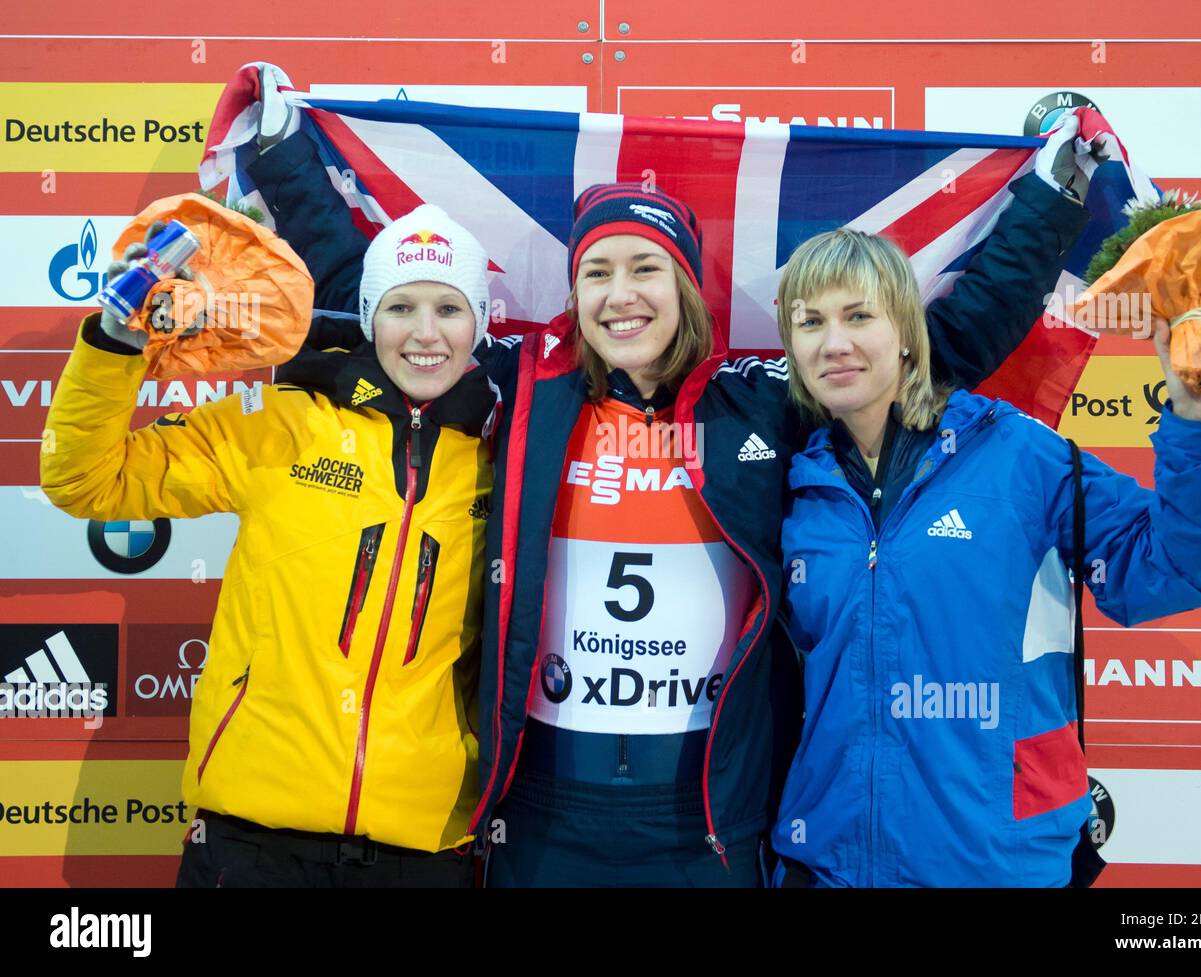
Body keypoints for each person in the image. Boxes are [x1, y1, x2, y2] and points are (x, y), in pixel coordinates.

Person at [255, 111, 1102, 884]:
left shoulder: (761, 396)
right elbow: (388, 320)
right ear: (574, 292)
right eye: (596, 271)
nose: (621, 294)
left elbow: (931, 351)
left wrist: (1052, 199)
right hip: (545, 812)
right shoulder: (525, 389)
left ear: (687, 283)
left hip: (706, 814)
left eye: (645, 268)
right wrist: (280, 151)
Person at [769, 229, 1201, 887]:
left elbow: (1172, 567)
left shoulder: (1018, 455)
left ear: (907, 331)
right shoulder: (793, 489)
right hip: (826, 864)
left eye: (859, 316)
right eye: (810, 322)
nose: (834, 342)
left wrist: (1197, 417)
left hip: (995, 865)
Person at [40, 204, 500, 887]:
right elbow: (87, 480)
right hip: (252, 848)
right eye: (401, 307)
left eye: (450, 309)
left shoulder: (505, 461)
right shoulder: (285, 424)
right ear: (370, 316)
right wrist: (116, 344)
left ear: (481, 325)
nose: (425, 334)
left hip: (423, 854)